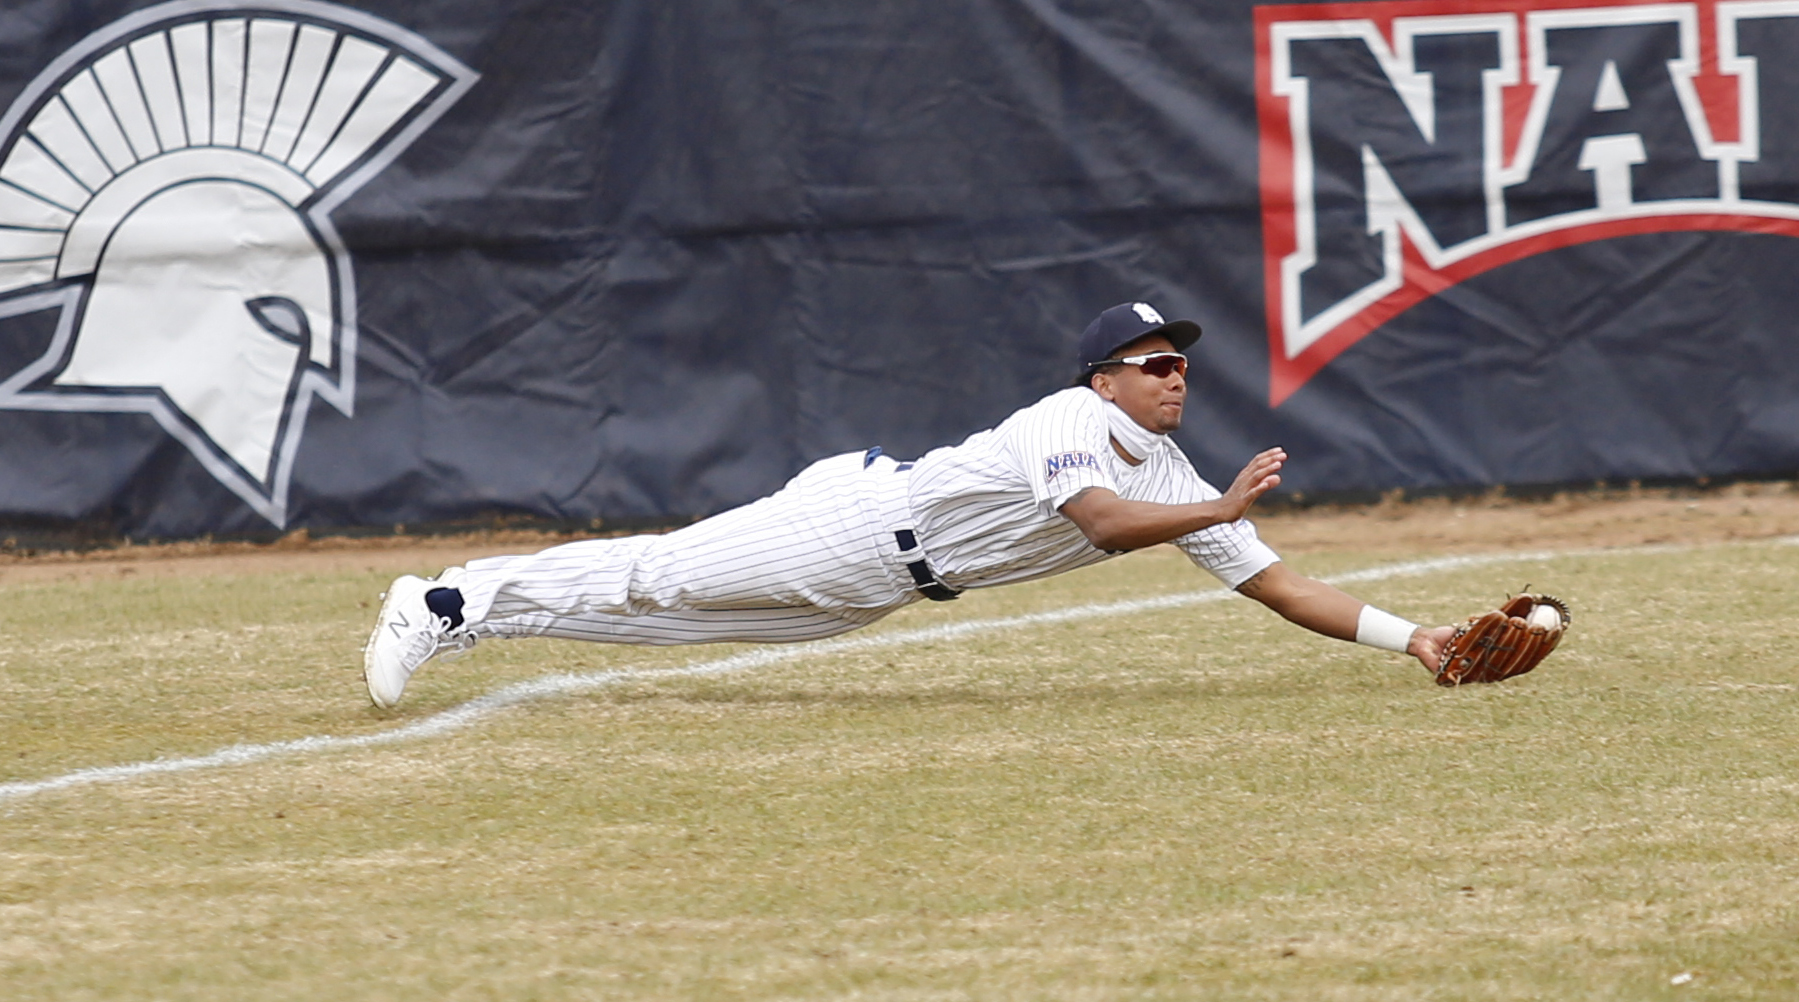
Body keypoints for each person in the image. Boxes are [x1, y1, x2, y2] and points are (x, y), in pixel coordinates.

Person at [363, 302, 1456, 708]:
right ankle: (449, 595)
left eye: (1180, 362)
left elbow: (1280, 585)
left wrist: (1415, 640)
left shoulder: (1174, 478)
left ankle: (483, 617)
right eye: (1152, 360)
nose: (1175, 374)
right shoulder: (1067, 423)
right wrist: (1217, 505)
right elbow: (1104, 528)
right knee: (663, 572)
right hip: (856, 524)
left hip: (880, 586)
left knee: (661, 620)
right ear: (1103, 379)